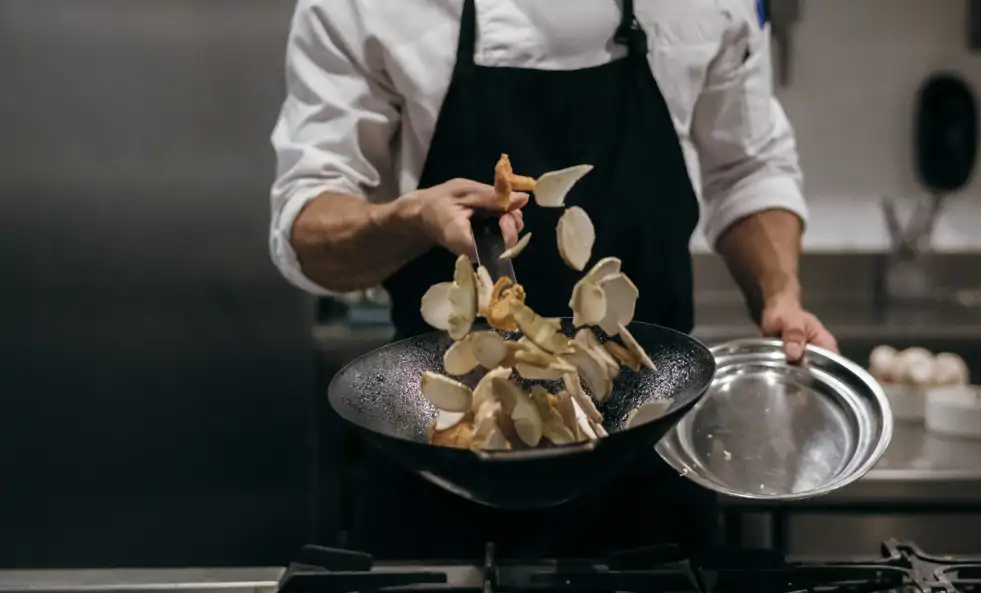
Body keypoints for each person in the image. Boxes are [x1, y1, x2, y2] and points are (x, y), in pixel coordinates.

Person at [270, 0, 838, 558]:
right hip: (443, 461)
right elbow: (309, 227)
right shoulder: (364, 7)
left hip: (649, 457)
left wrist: (779, 292)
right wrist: (409, 220)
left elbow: (745, 168)